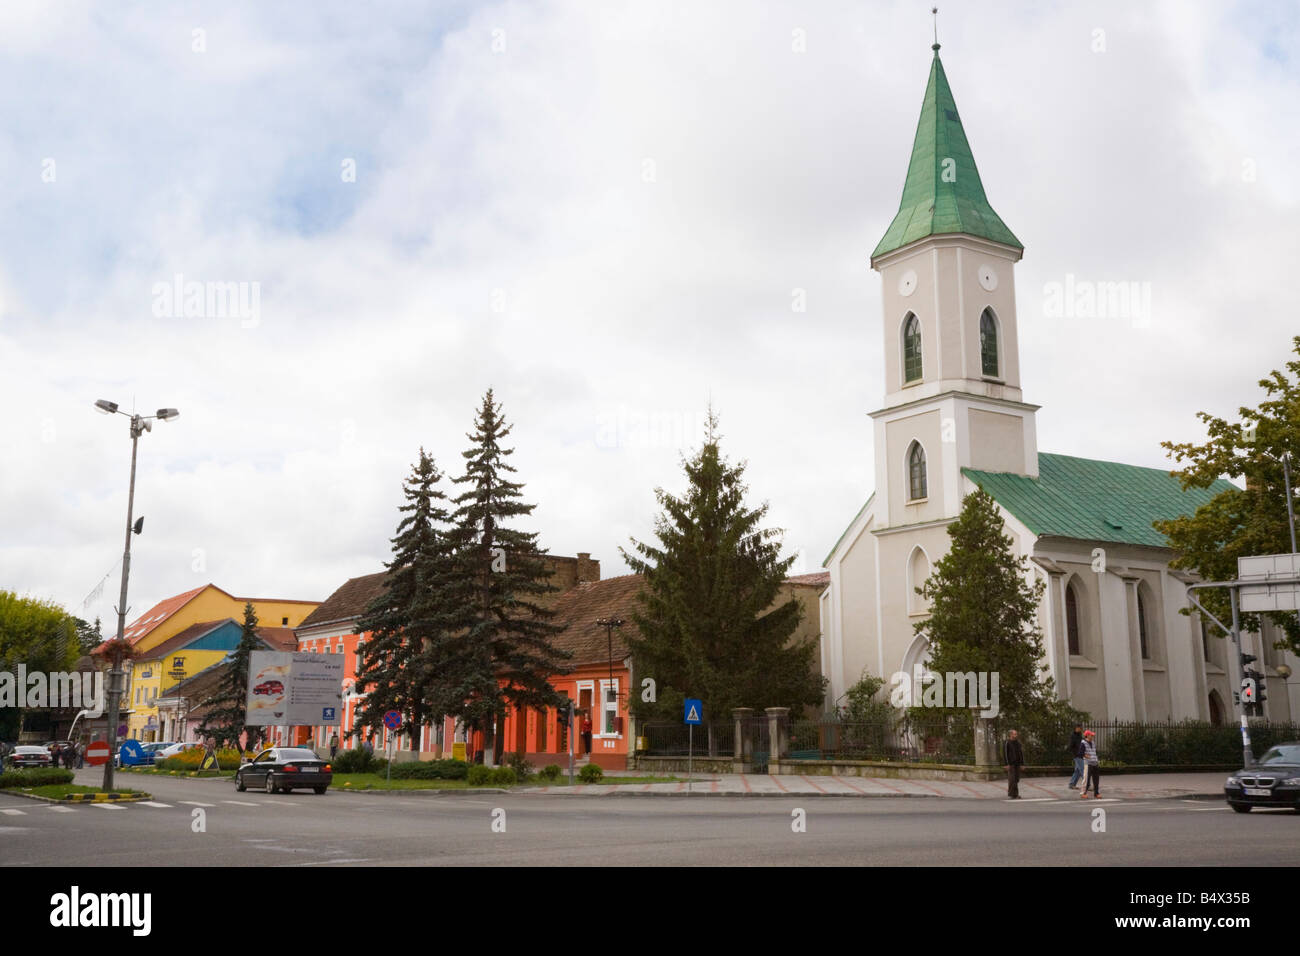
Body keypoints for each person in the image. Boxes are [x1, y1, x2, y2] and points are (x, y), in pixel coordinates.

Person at [1003, 729, 1024, 799]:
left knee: (1017, 779)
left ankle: (1013, 794)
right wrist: (1006, 764)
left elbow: (1021, 754)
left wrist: (1022, 764)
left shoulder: (1018, 743)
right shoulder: (1007, 742)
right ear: (1011, 735)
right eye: (1015, 734)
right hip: (1011, 764)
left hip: (1017, 764)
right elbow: (1005, 754)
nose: (1016, 735)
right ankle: (1013, 794)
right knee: (1012, 779)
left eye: (1016, 734)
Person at [1080, 729, 1100, 798]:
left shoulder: (1093, 743)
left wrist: (1096, 759)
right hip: (1088, 763)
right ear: (1087, 735)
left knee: (1096, 779)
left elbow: (1095, 752)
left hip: (1095, 763)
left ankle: (1096, 793)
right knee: (1086, 779)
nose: (1092, 736)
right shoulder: (1083, 743)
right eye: (1091, 735)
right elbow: (1080, 753)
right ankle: (1083, 793)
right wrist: (1086, 756)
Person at [1067, 724, 1084, 790]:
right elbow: (1071, 745)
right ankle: (1087, 785)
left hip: (1081, 754)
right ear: (1076, 728)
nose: (1080, 729)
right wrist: (1075, 753)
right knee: (1083, 770)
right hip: (1077, 755)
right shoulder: (1073, 736)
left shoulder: (1080, 735)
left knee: (1078, 771)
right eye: (1080, 728)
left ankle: (1072, 784)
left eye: (1081, 728)